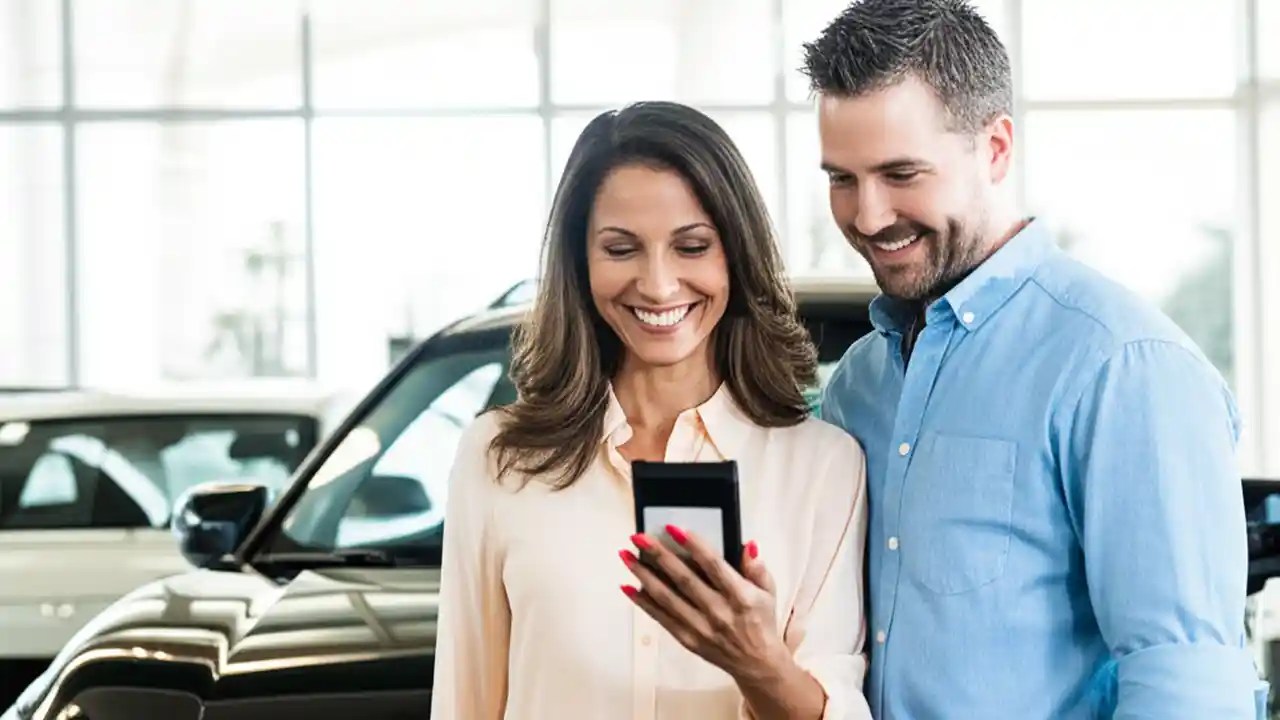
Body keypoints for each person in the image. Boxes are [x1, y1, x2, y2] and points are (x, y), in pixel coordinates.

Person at [800, 1, 1266, 718]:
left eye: (901, 173)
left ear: (995, 149)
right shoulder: (858, 384)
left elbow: (1186, 685)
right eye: (842, 179)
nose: (867, 216)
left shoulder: (1124, 367)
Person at [430, 101, 872, 719]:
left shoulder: (823, 467)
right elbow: (465, 704)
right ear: (580, 263)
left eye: (692, 246)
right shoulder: (498, 458)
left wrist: (758, 663)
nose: (659, 285)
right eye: (620, 249)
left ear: (735, 257)